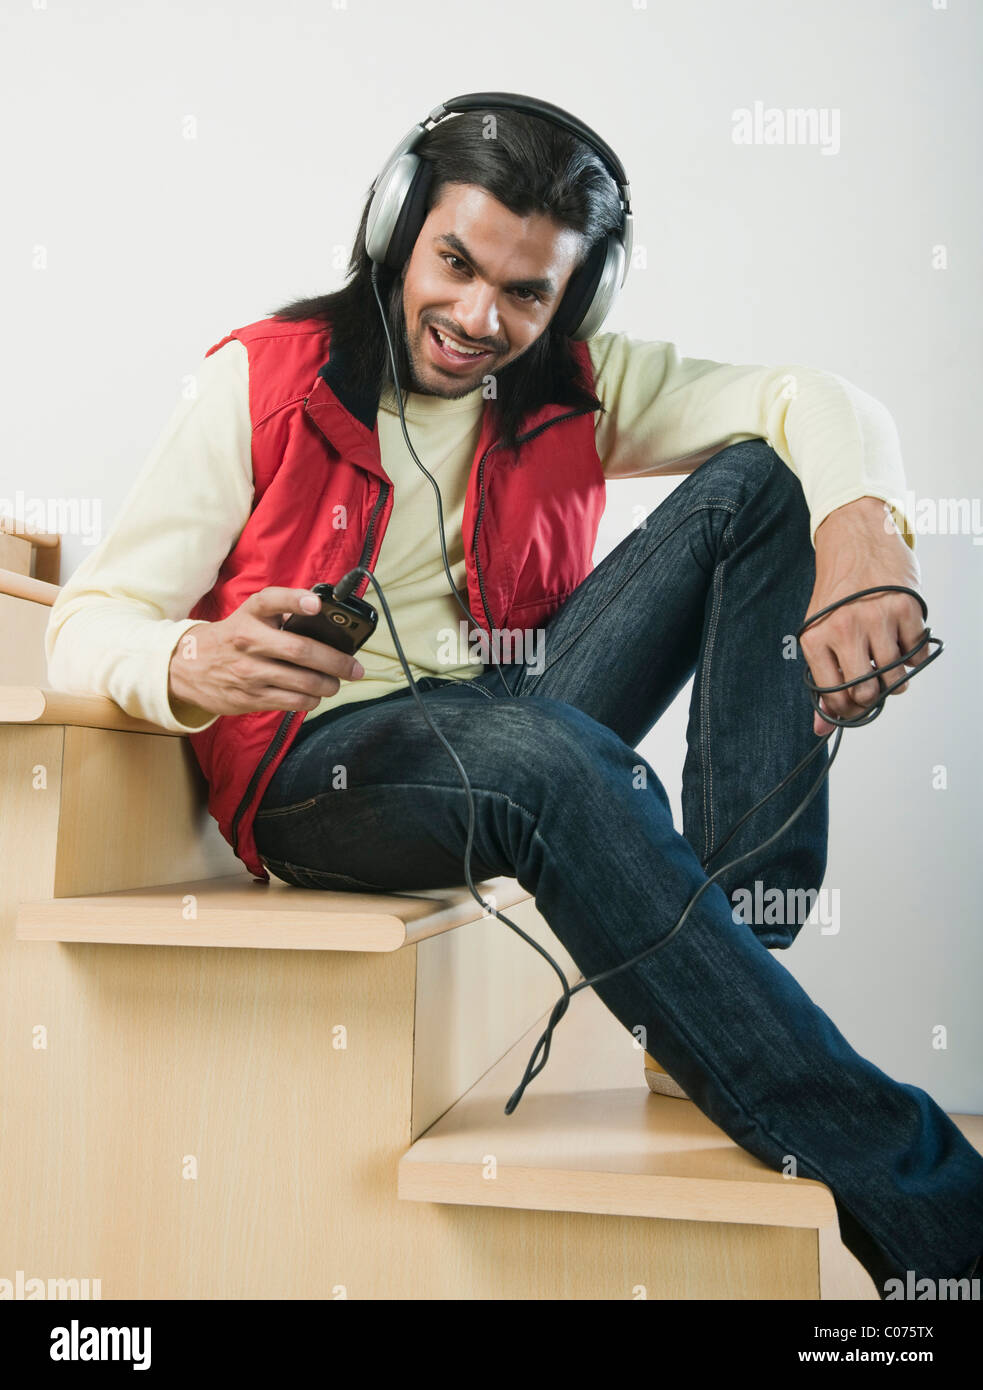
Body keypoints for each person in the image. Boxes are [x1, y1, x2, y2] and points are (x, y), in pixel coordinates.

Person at [45, 99, 983, 1298]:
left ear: (571, 299)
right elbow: (83, 625)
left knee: (762, 475)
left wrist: (865, 529)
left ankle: (724, 965)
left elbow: (817, 398)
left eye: (528, 294)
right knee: (549, 758)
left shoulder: (569, 385)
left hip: (515, 710)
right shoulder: (260, 378)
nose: (479, 319)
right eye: (454, 263)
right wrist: (185, 662)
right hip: (322, 770)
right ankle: (940, 1217)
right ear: (395, 225)